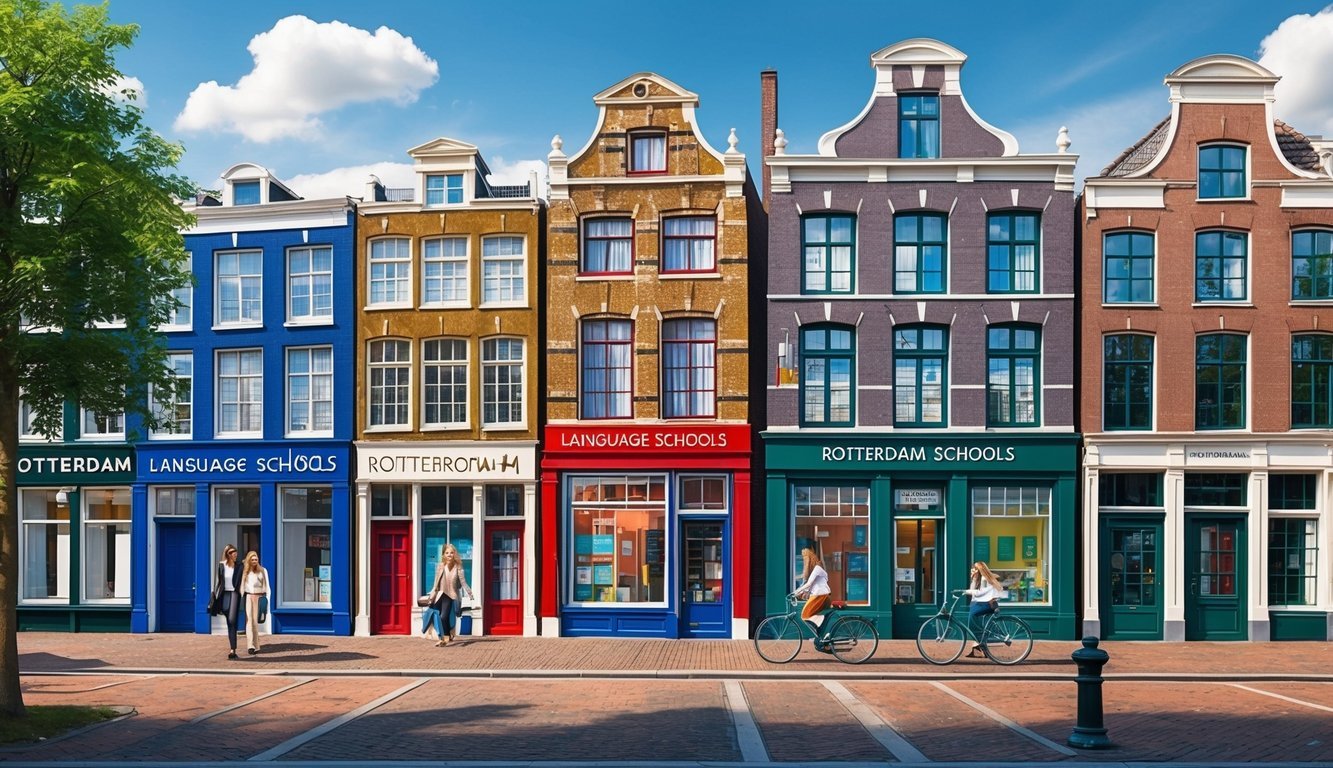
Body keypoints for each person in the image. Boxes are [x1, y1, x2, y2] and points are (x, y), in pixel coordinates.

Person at [428, 543, 473, 647]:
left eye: (451, 552)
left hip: (452, 594)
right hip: (441, 594)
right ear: (443, 554)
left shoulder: (458, 567)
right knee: (441, 615)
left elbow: (463, 582)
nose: (449, 554)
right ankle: (447, 635)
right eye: (447, 553)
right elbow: (436, 582)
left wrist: (469, 593)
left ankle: (447, 636)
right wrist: (432, 593)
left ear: (454, 554)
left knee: (450, 614)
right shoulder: (440, 566)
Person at [964, 561, 1008, 657]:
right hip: (985, 603)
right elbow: (974, 596)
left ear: (979, 570)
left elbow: (979, 593)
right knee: (977, 618)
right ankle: (979, 645)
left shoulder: (984, 579)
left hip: (988, 604)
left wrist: (965, 591)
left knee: (973, 615)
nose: (972, 570)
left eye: (974, 569)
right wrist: (974, 580)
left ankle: (980, 641)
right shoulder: (981, 579)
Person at [209, 545, 242, 660]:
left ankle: (233, 649)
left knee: (232, 620)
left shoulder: (239, 566)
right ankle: (232, 649)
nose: (235, 554)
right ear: (228, 553)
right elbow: (218, 582)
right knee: (229, 621)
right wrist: (215, 595)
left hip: (234, 594)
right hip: (224, 595)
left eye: (236, 553)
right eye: (233, 553)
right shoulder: (221, 565)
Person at [793, 547, 831, 639]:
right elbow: (809, 584)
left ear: (809, 559)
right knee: (809, 615)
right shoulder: (815, 570)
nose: (804, 562)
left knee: (805, 615)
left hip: (820, 595)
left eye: (805, 559)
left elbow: (809, 583)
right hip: (819, 594)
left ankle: (824, 628)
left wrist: (796, 591)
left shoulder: (817, 568)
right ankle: (821, 635)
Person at [241, 550, 271, 656]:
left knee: (254, 622)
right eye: (252, 559)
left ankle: (256, 645)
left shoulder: (263, 571)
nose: (254, 561)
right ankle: (250, 646)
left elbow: (267, 587)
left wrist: (267, 601)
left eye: (256, 559)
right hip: (249, 596)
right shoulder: (245, 571)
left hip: (259, 597)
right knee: (249, 621)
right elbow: (242, 586)